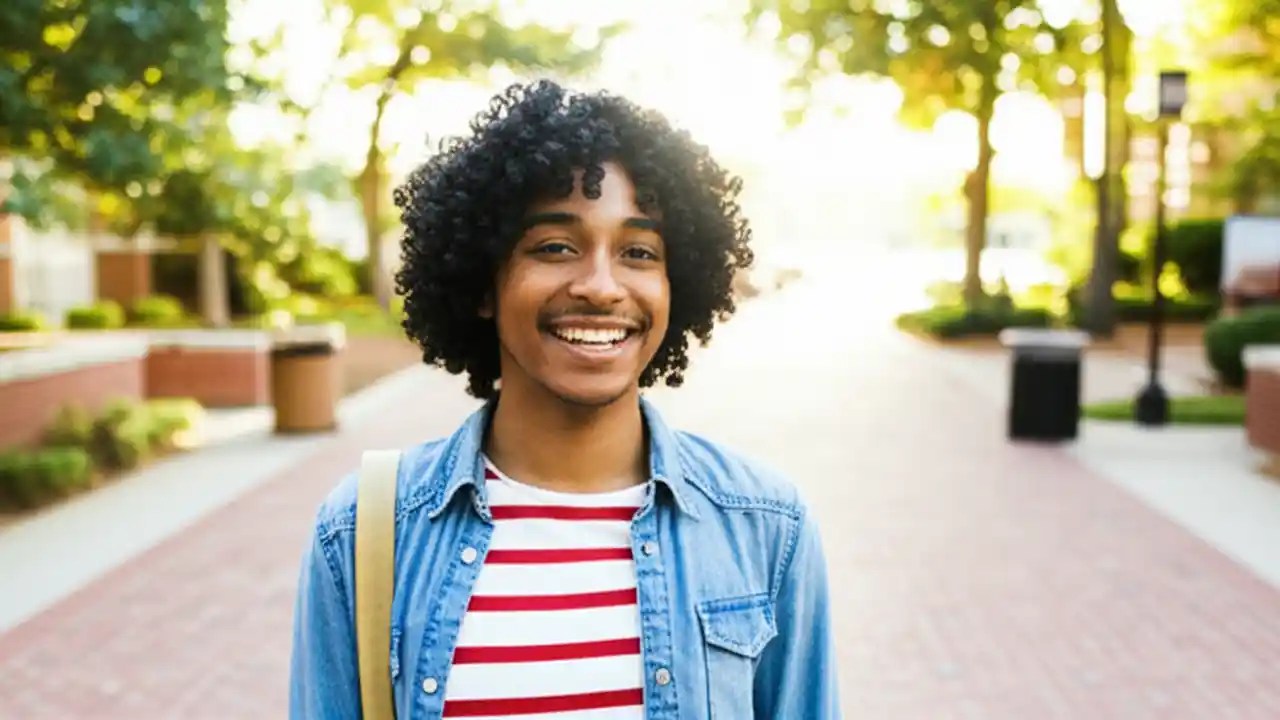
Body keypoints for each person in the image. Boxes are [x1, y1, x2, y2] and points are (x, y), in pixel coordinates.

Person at [289, 80, 840, 719]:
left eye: (638, 252)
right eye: (555, 247)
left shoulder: (766, 525)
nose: (601, 287)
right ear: (482, 284)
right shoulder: (364, 531)